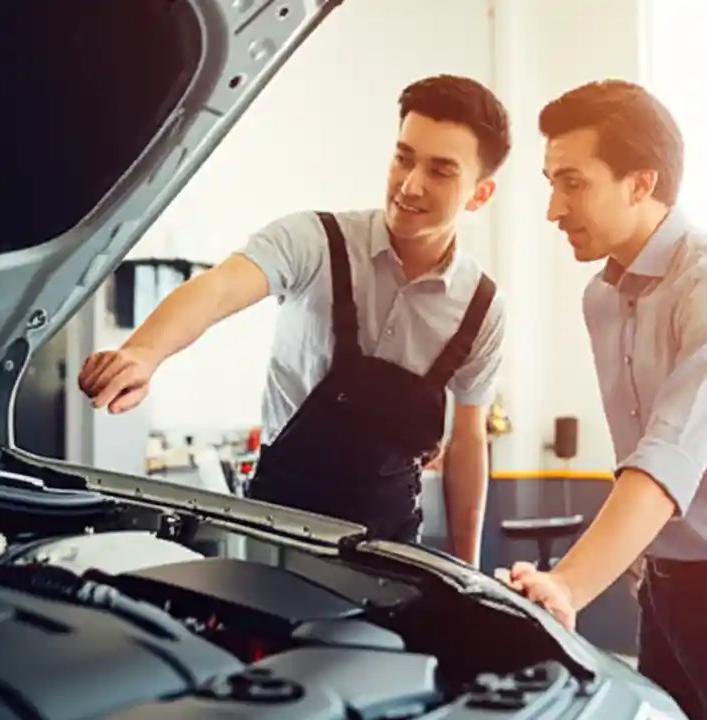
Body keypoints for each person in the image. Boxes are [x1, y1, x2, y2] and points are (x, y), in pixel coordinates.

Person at [78, 74, 510, 566]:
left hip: (388, 551)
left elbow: (469, 442)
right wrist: (143, 352)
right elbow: (219, 288)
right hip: (275, 533)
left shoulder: (481, 307)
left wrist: (466, 572)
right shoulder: (313, 241)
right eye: (403, 157)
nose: (410, 185)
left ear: (480, 194)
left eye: (441, 171)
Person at [508, 79, 707, 719]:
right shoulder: (601, 297)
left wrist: (570, 582)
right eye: (551, 182)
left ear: (640, 183)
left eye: (573, 183)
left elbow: (668, 455)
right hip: (666, 588)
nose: (553, 208)